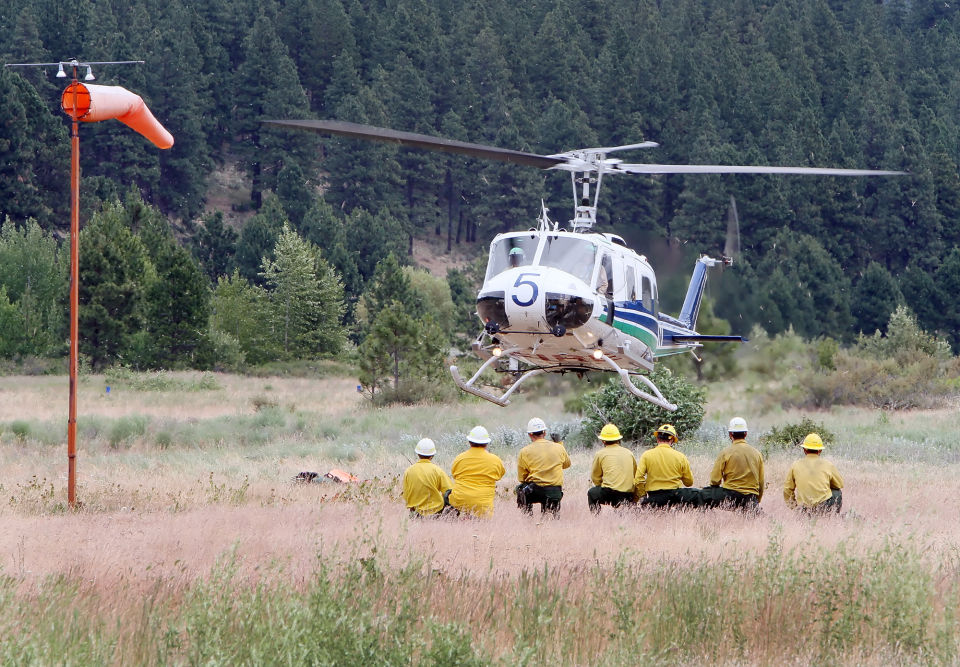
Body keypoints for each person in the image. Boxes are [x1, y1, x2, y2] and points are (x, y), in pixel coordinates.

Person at [701, 417, 764, 510]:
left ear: (730, 434)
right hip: (751, 497)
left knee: (702, 494)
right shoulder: (757, 454)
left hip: (729, 495)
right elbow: (761, 482)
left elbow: (715, 480)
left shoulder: (725, 452)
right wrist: (756, 500)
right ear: (746, 434)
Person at [516, 417, 572, 515]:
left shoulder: (524, 451)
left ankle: (527, 518)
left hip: (535, 491)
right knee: (551, 519)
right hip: (555, 491)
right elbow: (566, 464)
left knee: (521, 489)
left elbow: (522, 478)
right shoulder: (559, 447)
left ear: (530, 434)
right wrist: (559, 444)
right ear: (545, 433)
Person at [446, 425, 506, 518]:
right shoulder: (495, 460)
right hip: (483, 505)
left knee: (448, 495)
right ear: (486, 443)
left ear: (469, 442)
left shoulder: (459, 458)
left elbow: (454, 475)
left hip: (460, 501)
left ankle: (455, 519)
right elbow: (500, 475)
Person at [635, 424, 699, 508]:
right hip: (675, 497)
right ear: (672, 439)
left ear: (657, 438)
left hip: (653, 496)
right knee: (697, 494)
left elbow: (638, 479)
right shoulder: (681, 457)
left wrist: (643, 495)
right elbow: (689, 483)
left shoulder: (646, 455)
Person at [784, 433, 844, 514]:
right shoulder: (828, 464)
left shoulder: (795, 465)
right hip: (823, 506)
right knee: (837, 492)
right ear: (820, 450)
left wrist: (794, 507)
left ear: (804, 450)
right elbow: (839, 484)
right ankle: (831, 517)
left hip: (803, 508)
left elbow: (787, 489)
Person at [587, 423, 637, 513]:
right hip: (628, 494)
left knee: (592, 493)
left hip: (609, 493)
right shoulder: (629, 453)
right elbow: (635, 474)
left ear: (603, 441)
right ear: (618, 439)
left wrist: (603, 486)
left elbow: (595, 477)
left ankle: (595, 517)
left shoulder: (600, 454)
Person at [402, 438, 453, 517]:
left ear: (418, 454)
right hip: (436, 512)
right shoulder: (437, 470)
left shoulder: (408, 471)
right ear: (432, 456)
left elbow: (406, 495)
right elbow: (449, 491)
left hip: (415, 513)